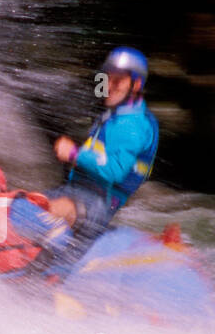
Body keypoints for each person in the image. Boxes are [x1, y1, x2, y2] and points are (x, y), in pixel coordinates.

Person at [47, 46, 159, 264]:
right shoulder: (114, 115)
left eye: (118, 81)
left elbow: (115, 171)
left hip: (97, 203)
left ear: (136, 85)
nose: (109, 86)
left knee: (46, 212)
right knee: (27, 203)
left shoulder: (134, 125)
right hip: (79, 192)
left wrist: (73, 153)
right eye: (108, 78)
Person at [0, 160, 72, 277]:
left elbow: (62, 230)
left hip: (41, 280)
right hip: (2, 286)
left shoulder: (17, 209)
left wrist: (40, 261)